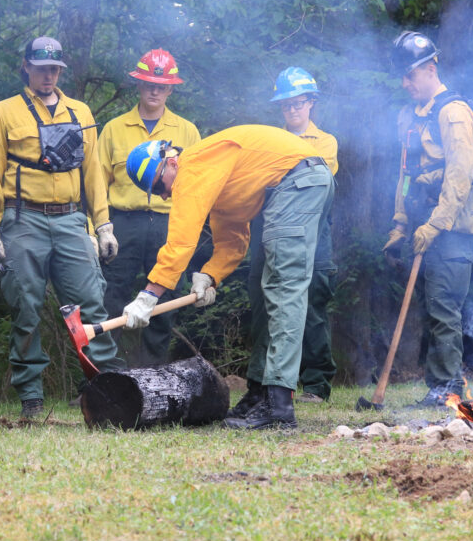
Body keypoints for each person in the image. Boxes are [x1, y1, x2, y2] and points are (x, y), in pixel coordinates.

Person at [122, 126, 334, 430]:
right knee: (261, 288)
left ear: (170, 161)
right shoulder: (216, 185)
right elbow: (233, 241)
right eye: (156, 193)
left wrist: (148, 296)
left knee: (283, 287)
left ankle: (279, 405)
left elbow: (181, 242)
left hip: (299, 182)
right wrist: (210, 276)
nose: (165, 195)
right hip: (293, 187)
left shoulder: (193, 165)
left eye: (159, 185)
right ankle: (261, 392)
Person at [0, 36, 124, 418]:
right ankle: (31, 397)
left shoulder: (79, 112)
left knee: (92, 302)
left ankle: (103, 387)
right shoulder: (4, 113)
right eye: (41, 68)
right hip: (23, 218)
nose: (48, 75)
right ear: (26, 66)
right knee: (25, 303)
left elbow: (94, 174)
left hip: (73, 219)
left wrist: (103, 225)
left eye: (54, 69)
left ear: (61, 71)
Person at [382, 31, 473, 407]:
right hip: (422, 224)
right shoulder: (408, 116)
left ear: (429, 68)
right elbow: (405, 174)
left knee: (444, 307)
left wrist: (435, 225)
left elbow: (461, 176)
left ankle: (449, 390)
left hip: (451, 230)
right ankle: (438, 386)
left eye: (410, 75)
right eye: (402, 76)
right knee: (431, 307)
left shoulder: (453, 113)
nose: (405, 83)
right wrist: (400, 224)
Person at [239, 68, 339, 415]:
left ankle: (317, 381)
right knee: (270, 302)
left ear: (311, 103)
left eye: (299, 103)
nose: (293, 111)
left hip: (313, 228)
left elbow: (312, 178)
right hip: (272, 224)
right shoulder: (271, 139)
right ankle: (275, 381)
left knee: (311, 306)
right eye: (286, 106)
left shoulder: (325, 141)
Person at [98, 49, 201, 366]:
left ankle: (153, 376)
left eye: (162, 85)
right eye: (148, 84)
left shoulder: (187, 131)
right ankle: (103, 377)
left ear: (171, 89)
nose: (155, 90)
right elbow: (97, 185)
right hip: (123, 225)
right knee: (111, 296)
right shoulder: (114, 129)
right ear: (138, 85)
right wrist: (99, 229)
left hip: (169, 225)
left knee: (164, 300)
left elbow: (197, 188)